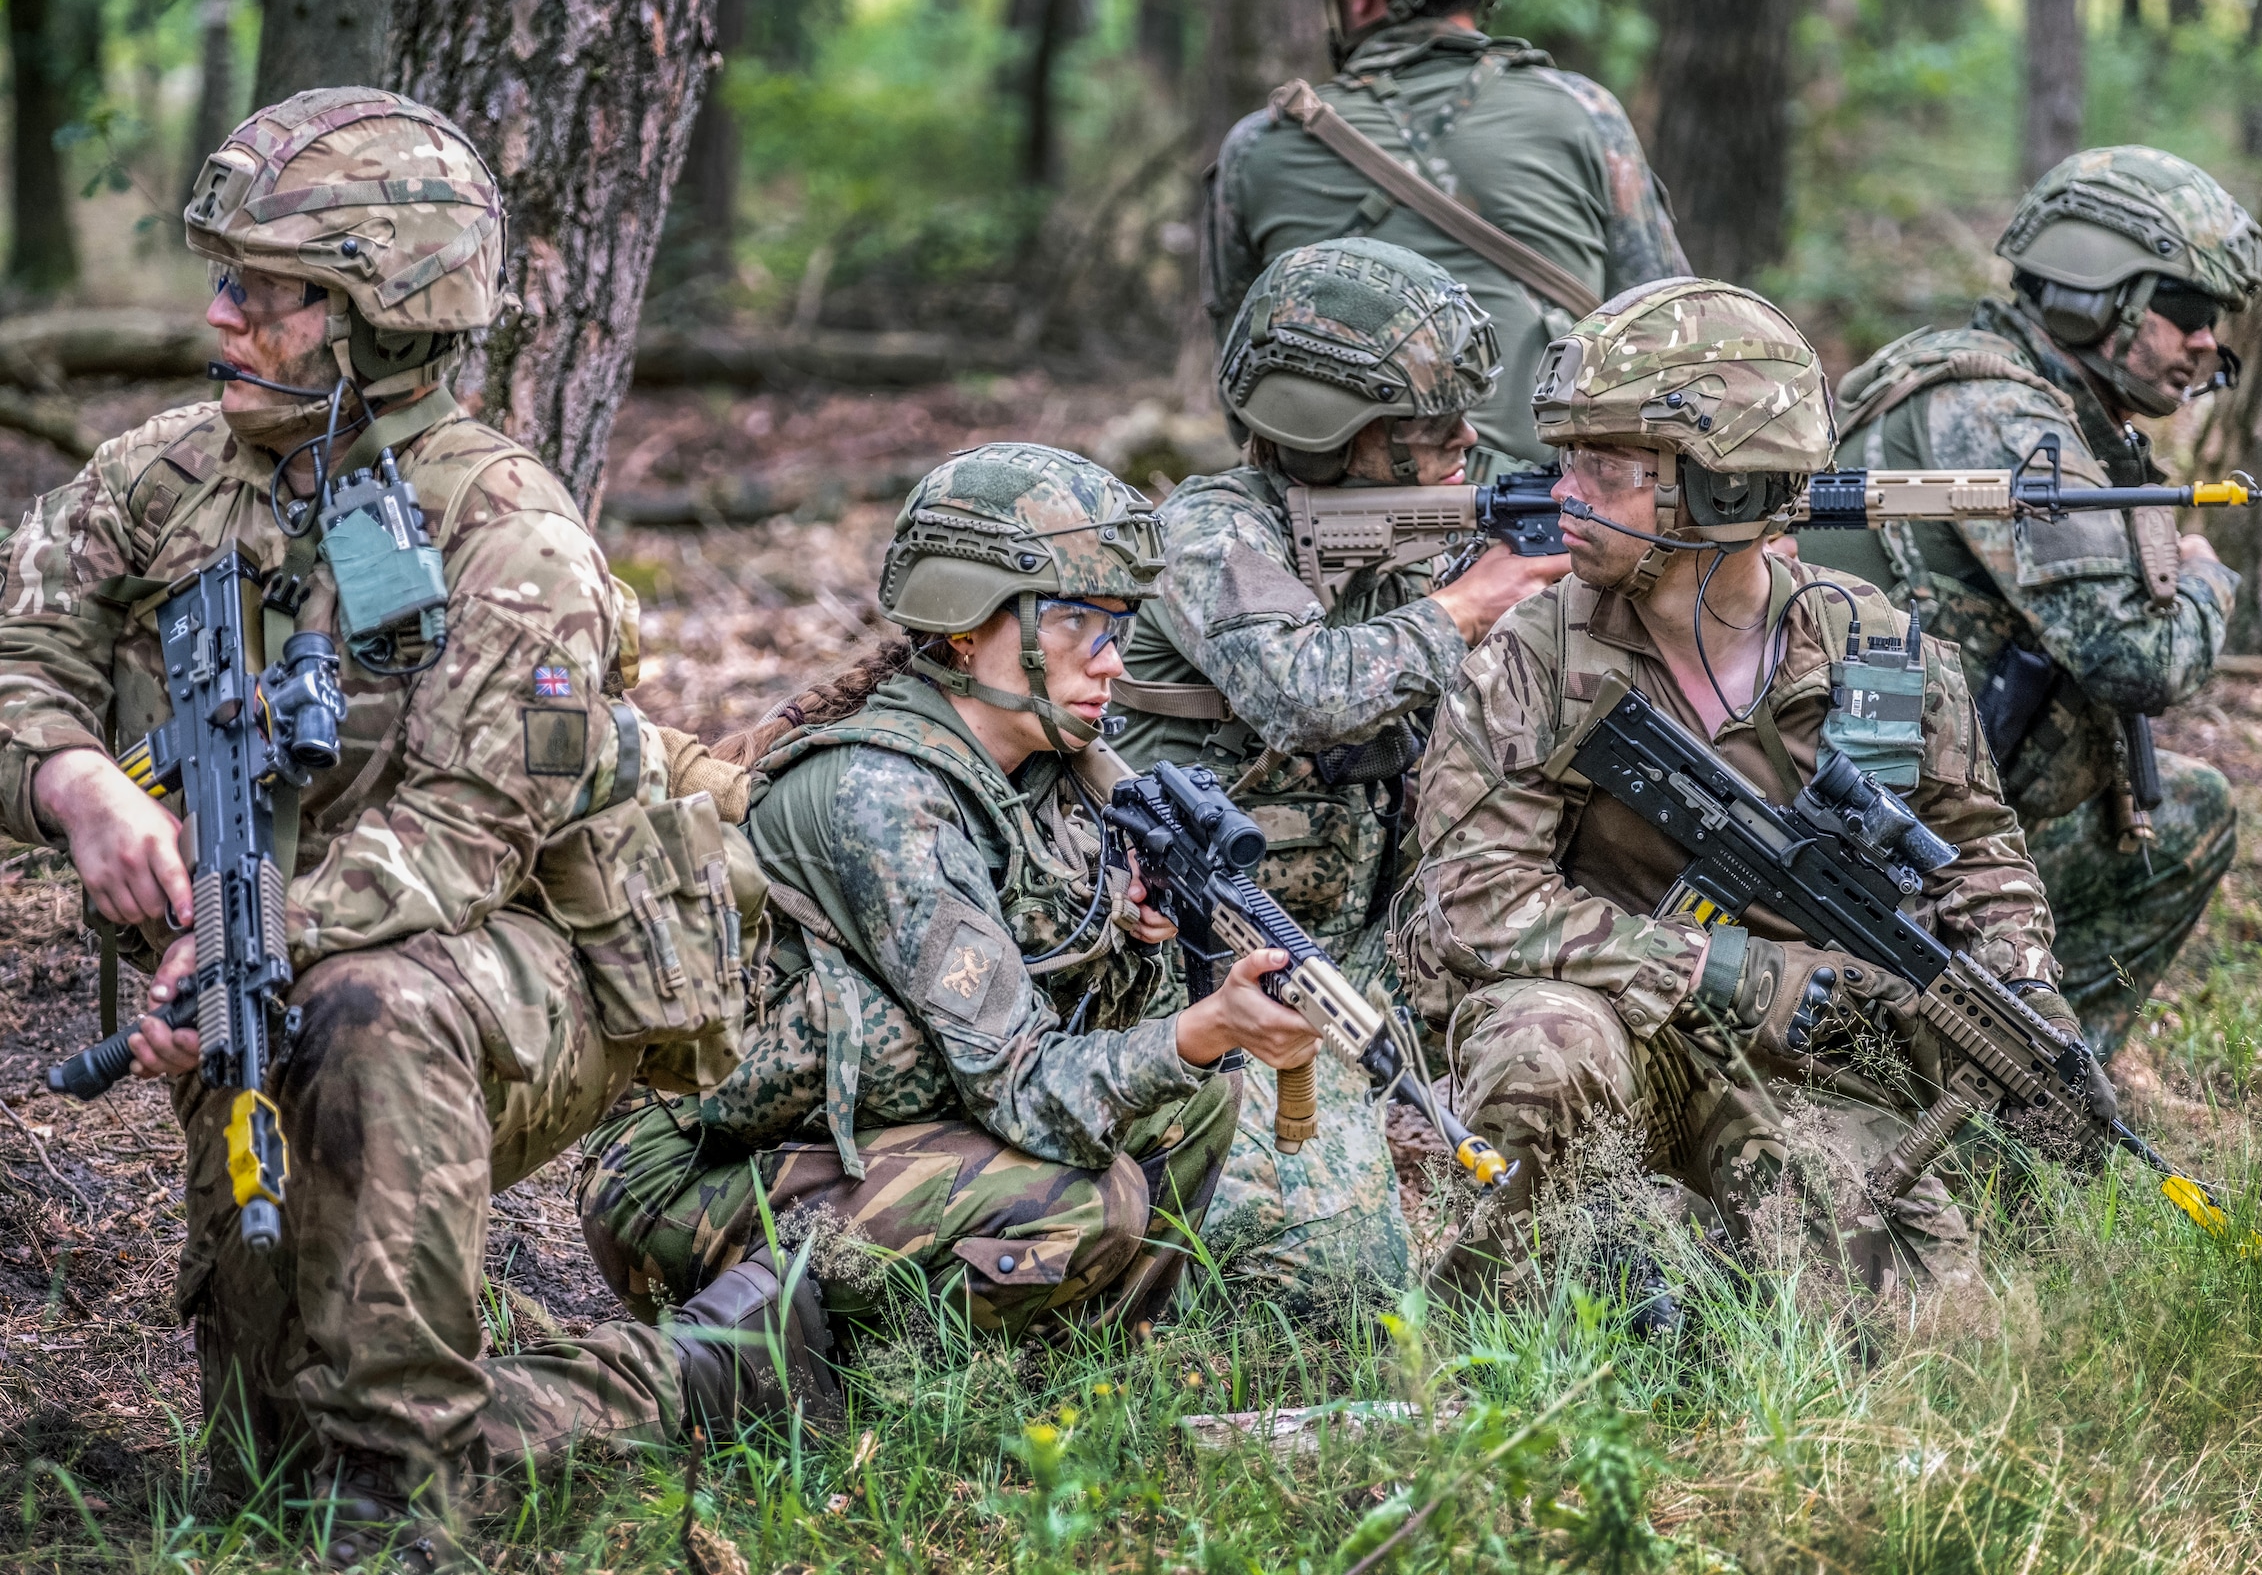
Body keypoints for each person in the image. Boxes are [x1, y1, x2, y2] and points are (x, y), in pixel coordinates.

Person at [0, 88, 819, 1568]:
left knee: (365, 1013)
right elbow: (23, 649)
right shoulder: (168, 474)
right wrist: (75, 778)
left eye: (272, 292)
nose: (222, 313)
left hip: (529, 971)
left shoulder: (509, 532)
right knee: (268, 1457)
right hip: (258, 964)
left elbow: (463, 839)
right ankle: (633, 1381)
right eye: (225, 279)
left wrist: (239, 939)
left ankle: (513, 1450)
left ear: (386, 312)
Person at [1402, 277, 2087, 1300]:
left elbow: (1977, 856)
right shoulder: (1533, 657)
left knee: (1930, 1329)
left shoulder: (1880, 653)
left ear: (1720, 489)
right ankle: (1476, 1331)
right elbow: (1470, 902)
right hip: (1608, 1037)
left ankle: (1674, 1270)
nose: (1562, 495)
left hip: (1801, 1072)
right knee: (1543, 1046)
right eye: (1566, 462)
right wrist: (1726, 970)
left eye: (1604, 469)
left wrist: (2024, 988)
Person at [576, 446, 1325, 1351]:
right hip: (688, 1173)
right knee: (1089, 1202)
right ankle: (818, 1374)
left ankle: (1057, 1380)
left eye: (1120, 625)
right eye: (1079, 623)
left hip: (858, 1131)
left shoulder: (1046, 769)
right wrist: (1200, 1028)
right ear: (968, 628)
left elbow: (1068, 1021)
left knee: (1194, 1101)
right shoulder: (886, 795)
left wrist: (1135, 941)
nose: (1114, 661)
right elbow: (1024, 1084)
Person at [1113, 238, 1568, 1296]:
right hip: (1213, 973)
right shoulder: (1207, 531)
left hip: (1376, 956)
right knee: (1330, 1279)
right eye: (1425, 427)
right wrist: (1476, 602)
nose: (1465, 440)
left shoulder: (1424, 527)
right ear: (1333, 432)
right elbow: (1304, 689)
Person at [1795, 147, 2262, 1057]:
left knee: (2182, 805)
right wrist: (2205, 575)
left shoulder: (1963, 373)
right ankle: (2013, 1099)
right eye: (2188, 311)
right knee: (2190, 826)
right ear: (2096, 299)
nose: (2207, 343)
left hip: (1886, 812)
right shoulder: (2003, 416)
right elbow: (2137, 657)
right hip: (1873, 856)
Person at [1203, 0, 1690, 472]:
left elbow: (1240, 389)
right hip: (1552, 510)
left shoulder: (1258, 145)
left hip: (1336, 508)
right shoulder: (1588, 115)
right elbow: (1667, 335)